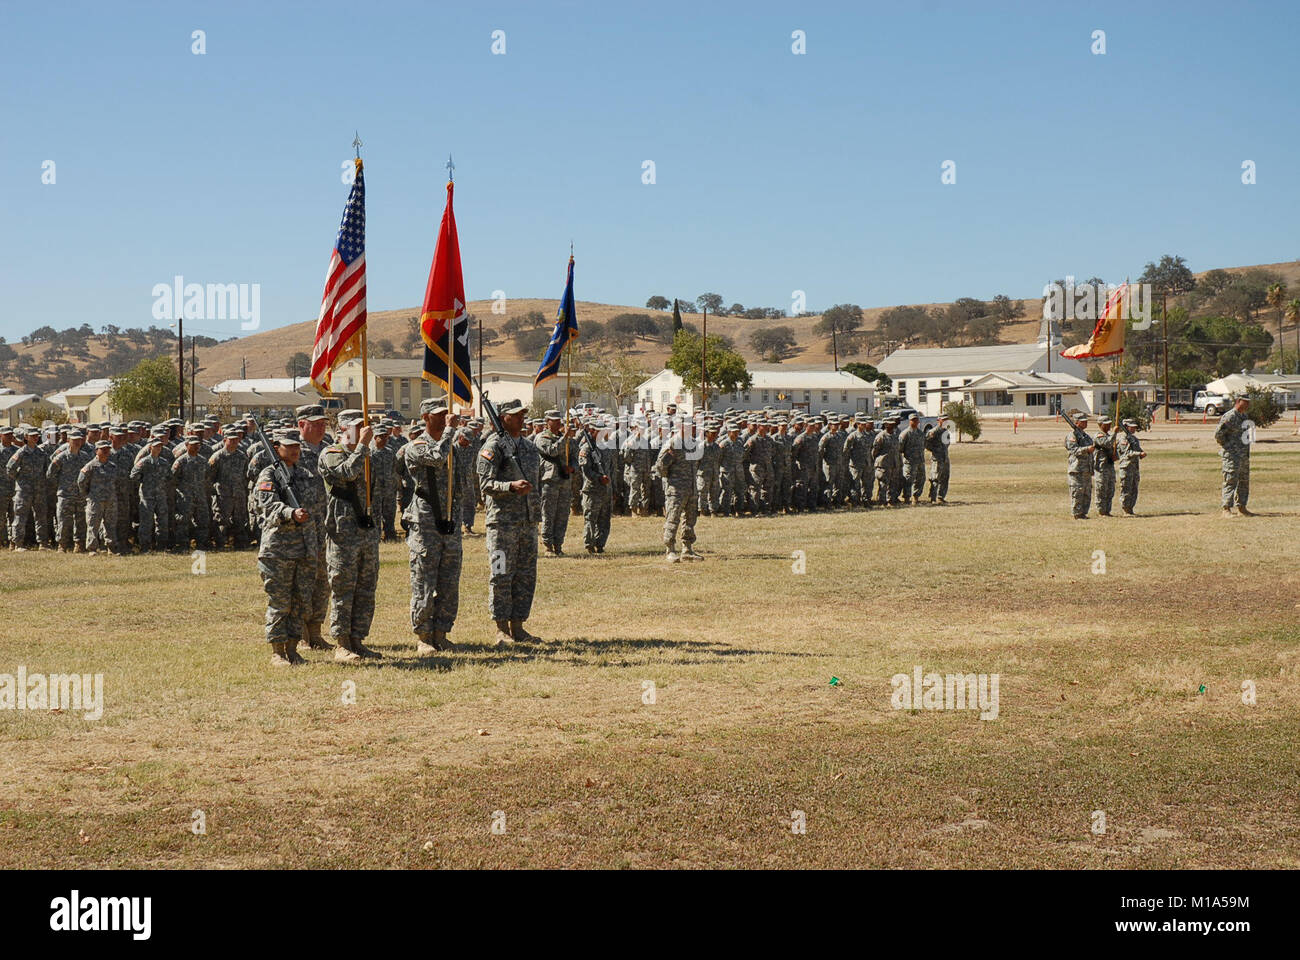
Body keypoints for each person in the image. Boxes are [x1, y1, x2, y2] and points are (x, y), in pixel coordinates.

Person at [401, 399, 466, 657]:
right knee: (424, 582)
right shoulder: (416, 447)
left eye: (445, 415)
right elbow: (437, 459)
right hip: (425, 522)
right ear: (425, 417)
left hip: (449, 522)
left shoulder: (452, 447)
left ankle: (442, 633)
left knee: (449, 581)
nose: (444, 418)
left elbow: (459, 482)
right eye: (438, 415)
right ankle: (424, 636)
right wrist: (450, 432)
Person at [477, 398, 543, 646]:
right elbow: (485, 484)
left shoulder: (528, 447)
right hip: (502, 524)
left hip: (527, 522)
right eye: (515, 415)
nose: (521, 418)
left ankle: (519, 627)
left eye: (522, 414)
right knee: (501, 573)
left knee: (525, 576)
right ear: (503, 417)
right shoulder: (492, 447)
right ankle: (501, 629)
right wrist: (510, 487)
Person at [319, 410, 382, 662]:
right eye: (358, 426)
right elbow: (347, 473)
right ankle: (342, 643)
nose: (364, 430)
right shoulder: (330, 454)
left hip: (366, 530)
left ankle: (358, 639)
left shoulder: (367, 454)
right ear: (344, 430)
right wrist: (363, 448)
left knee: (366, 588)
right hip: (343, 531)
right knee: (343, 586)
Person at [253, 429, 317, 667]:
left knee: (300, 601)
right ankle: (277, 652)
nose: (294, 450)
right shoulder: (268, 475)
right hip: (278, 550)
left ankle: (293, 649)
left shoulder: (303, 474)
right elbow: (267, 507)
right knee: (280, 602)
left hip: (304, 548)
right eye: (289, 446)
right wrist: (290, 513)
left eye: (297, 446)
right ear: (276, 447)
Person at [656, 417, 701, 562]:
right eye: (687, 427)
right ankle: (670, 549)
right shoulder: (672, 443)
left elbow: (696, 464)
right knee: (673, 518)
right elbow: (660, 467)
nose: (690, 429)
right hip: (676, 489)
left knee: (690, 520)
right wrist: (671, 480)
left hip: (691, 488)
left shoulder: (693, 444)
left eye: (692, 427)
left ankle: (687, 549)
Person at [535, 410, 577, 557]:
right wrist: (565, 437)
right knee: (549, 513)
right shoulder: (542, 437)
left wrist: (573, 467)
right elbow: (552, 451)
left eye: (559, 420)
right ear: (547, 421)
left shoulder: (565, 439)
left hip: (565, 480)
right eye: (555, 420)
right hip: (550, 480)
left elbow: (574, 455)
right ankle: (548, 546)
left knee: (562, 514)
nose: (559, 422)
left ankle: (558, 545)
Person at [47, 428, 91, 552]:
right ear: (68, 440)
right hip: (65, 495)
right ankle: (62, 544)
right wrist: (61, 487)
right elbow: (50, 474)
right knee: (64, 521)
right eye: (74, 440)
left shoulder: (85, 457)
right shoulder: (61, 457)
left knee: (81, 521)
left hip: (80, 495)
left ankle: (79, 544)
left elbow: (89, 475)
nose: (77, 442)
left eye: (79, 440)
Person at [7, 427, 51, 549]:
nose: (35, 438)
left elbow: (47, 470)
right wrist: (20, 479)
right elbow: (10, 468)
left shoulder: (41, 453)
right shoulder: (21, 452)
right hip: (24, 490)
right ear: (26, 437)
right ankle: (17, 543)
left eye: (37, 436)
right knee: (20, 516)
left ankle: (43, 543)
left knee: (41, 516)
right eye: (32, 436)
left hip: (39, 489)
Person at [130, 433, 171, 552]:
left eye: (160, 446)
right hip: (147, 496)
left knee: (162, 521)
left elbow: (169, 476)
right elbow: (133, 475)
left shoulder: (164, 462)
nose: (158, 448)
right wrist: (143, 480)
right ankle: (145, 547)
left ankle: (161, 546)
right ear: (150, 448)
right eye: (156, 446)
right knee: (146, 522)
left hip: (161, 496)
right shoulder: (144, 462)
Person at [579, 416, 615, 553]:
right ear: (592, 431)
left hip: (606, 490)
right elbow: (586, 470)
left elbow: (611, 469)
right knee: (590, 518)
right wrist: (598, 478)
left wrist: (613, 487)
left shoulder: (606, 448)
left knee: (604, 519)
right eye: (598, 431)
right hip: (592, 490)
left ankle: (600, 544)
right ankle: (589, 544)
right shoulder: (586, 449)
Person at [78, 440, 119, 554]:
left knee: (110, 524)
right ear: (97, 451)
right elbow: (81, 482)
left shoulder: (112, 466)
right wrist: (88, 495)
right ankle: (92, 548)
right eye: (103, 449)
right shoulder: (90, 466)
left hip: (110, 500)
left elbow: (116, 482)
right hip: (95, 500)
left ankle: (111, 547)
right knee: (93, 524)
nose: (106, 451)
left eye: (107, 449)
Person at [1215, 396, 1254, 517]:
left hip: (1243, 456)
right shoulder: (1230, 416)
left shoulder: (1244, 417)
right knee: (1230, 480)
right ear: (1238, 402)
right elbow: (1218, 434)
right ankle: (1226, 508)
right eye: (1245, 402)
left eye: (1248, 403)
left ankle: (1241, 507)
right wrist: (1229, 447)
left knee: (1244, 481)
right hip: (1232, 456)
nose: (1247, 405)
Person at [1066, 414, 1095, 519]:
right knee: (1077, 491)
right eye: (1082, 421)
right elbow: (1074, 450)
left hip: (1086, 469)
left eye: (1086, 421)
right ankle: (1077, 513)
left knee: (1086, 492)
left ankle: (1083, 513)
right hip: (1077, 469)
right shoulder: (1072, 436)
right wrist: (1086, 449)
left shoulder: (1086, 436)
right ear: (1076, 422)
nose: (1085, 423)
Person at [1115, 418, 1146, 516]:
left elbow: (1138, 449)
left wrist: (1141, 453)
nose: (1133, 429)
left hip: (1134, 467)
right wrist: (1139, 453)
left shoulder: (1134, 439)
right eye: (1131, 427)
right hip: (1126, 467)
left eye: (1134, 427)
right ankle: (1125, 509)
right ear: (1126, 427)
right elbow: (1126, 452)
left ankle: (1131, 508)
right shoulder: (1123, 439)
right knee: (1126, 489)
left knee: (1134, 489)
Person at [1092, 416, 1118, 517]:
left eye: (1109, 423)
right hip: (1101, 467)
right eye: (1106, 424)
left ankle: (1107, 510)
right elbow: (1107, 444)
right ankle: (1101, 511)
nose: (1109, 425)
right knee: (1101, 489)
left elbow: (1112, 448)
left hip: (1109, 466)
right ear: (1101, 425)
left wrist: (1115, 456)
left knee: (1110, 489)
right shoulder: (1099, 436)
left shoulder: (1108, 435)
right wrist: (1115, 433)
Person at [924, 416, 951, 504]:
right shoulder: (933, 431)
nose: (945, 422)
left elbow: (947, 443)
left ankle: (941, 497)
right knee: (935, 478)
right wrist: (934, 450)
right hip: (937, 458)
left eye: (947, 420)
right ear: (939, 420)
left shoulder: (946, 431)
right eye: (944, 420)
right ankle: (933, 498)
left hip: (945, 458)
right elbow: (926, 443)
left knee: (945, 478)